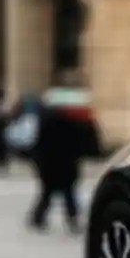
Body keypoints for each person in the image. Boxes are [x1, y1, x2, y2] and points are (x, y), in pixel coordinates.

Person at [28, 85, 101, 232]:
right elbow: (85, 144)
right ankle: (70, 219)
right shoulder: (76, 123)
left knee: (48, 193)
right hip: (66, 164)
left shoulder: (47, 120)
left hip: (49, 164)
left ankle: (38, 218)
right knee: (67, 194)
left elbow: (39, 143)